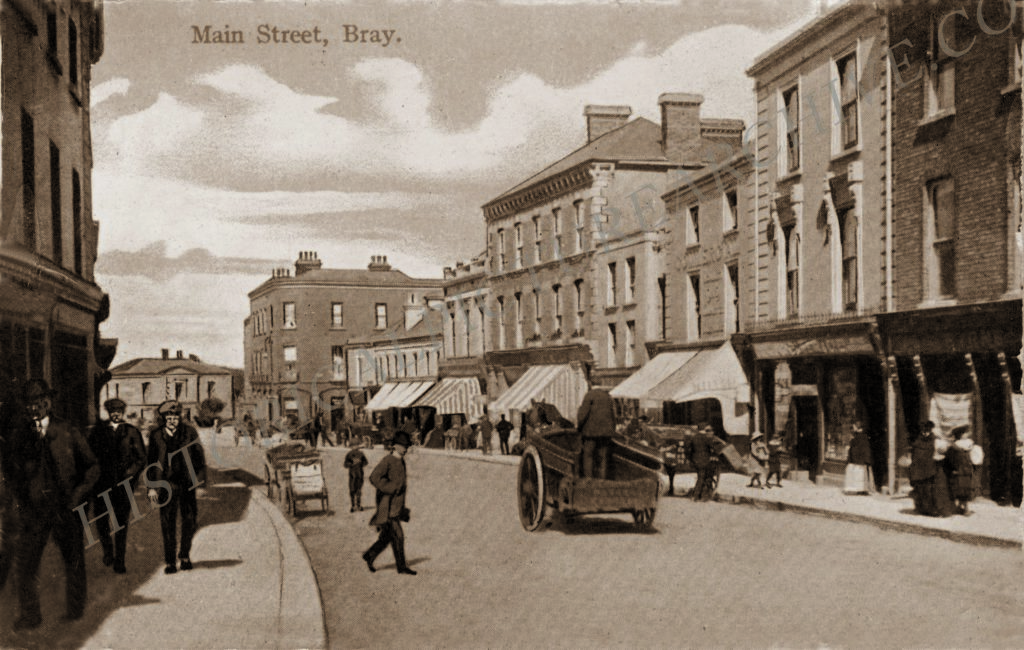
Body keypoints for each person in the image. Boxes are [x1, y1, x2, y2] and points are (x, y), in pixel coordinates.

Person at [4, 379, 99, 630]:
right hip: (34, 512)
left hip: (66, 509)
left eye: (40, 401)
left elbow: (92, 467)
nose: (35, 407)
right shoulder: (19, 436)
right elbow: (11, 472)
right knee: (25, 566)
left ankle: (76, 610)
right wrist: (20, 501)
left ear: (49, 401)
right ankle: (31, 615)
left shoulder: (68, 431)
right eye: (30, 403)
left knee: (74, 562)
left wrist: (78, 496)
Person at [146, 400, 207, 574]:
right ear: (163, 418)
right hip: (165, 485)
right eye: (168, 417)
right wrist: (151, 488)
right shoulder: (156, 435)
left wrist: (201, 484)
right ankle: (170, 561)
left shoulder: (190, 433)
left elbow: (199, 459)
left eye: (175, 416)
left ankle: (185, 556)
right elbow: (150, 463)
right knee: (167, 524)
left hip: (187, 484)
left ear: (180, 417)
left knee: (189, 520)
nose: (172, 420)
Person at [90, 398, 146, 574]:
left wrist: (130, 476)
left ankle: (120, 561)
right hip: (102, 485)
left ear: (123, 413)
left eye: (119, 412)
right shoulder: (98, 432)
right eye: (113, 411)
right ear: (108, 412)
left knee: (121, 524)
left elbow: (141, 459)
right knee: (101, 522)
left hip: (123, 486)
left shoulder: (132, 432)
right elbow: (89, 457)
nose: (116, 414)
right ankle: (108, 550)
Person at [362, 430, 416, 575]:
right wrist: (390, 487)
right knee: (398, 536)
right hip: (388, 508)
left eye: (407, 446)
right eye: (403, 446)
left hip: (396, 507)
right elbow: (374, 477)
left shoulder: (401, 461)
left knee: (387, 537)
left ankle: (369, 555)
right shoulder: (388, 460)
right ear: (396, 446)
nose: (406, 449)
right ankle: (402, 567)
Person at [577, 386, 615, 480]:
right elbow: (614, 415)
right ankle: (602, 482)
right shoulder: (608, 396)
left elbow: (583, 415)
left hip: (591, 433)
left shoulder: (589, 395)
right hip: (606, 433)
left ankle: (588, 481)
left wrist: (579, 427)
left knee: (588, 456)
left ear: (591, 385)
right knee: (602, 458)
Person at [945, 425, 983, 516]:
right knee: (964, 490)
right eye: (965, 433)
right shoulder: (963, 446)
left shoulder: (958, 446)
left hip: (962, 471)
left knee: (962, 489)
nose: (967, 434)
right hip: (963, 471)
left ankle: (960, 507)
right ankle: (964, 509)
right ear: (961, 435)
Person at [686, 424, 717, 501]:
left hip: (695, 460)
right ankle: (698, 496)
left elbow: (689, 449)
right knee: (702, 477)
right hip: (705, 461)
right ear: (704, 429)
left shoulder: (694, 437)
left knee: (701, 476)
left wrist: (690, 458)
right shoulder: (706, 438)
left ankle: (699, 495)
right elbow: (712, 447)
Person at [844, 422, 873, 495]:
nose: (853, 429)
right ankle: (861, 489)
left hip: (857, 461)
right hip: (859, 461)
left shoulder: (858, 437)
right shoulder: (861, 437)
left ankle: (858, 489)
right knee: (859, 476)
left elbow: (860, 449)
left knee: (857, 475)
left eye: (854, 427)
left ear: (857, 428)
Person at [344, 442, 369, 512]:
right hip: (352, 475)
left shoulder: (361, 454)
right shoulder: (349, 454)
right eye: (353, 446)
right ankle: (352, 506)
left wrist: (360, 462)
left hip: (360, 474)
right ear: (351, 447)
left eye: (356, 445)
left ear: (358, 446)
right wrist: (351, 463)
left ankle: (358, 505)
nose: (355, 447)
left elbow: (366, 462)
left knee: (358, 490)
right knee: (352, 490)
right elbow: (345, 464)